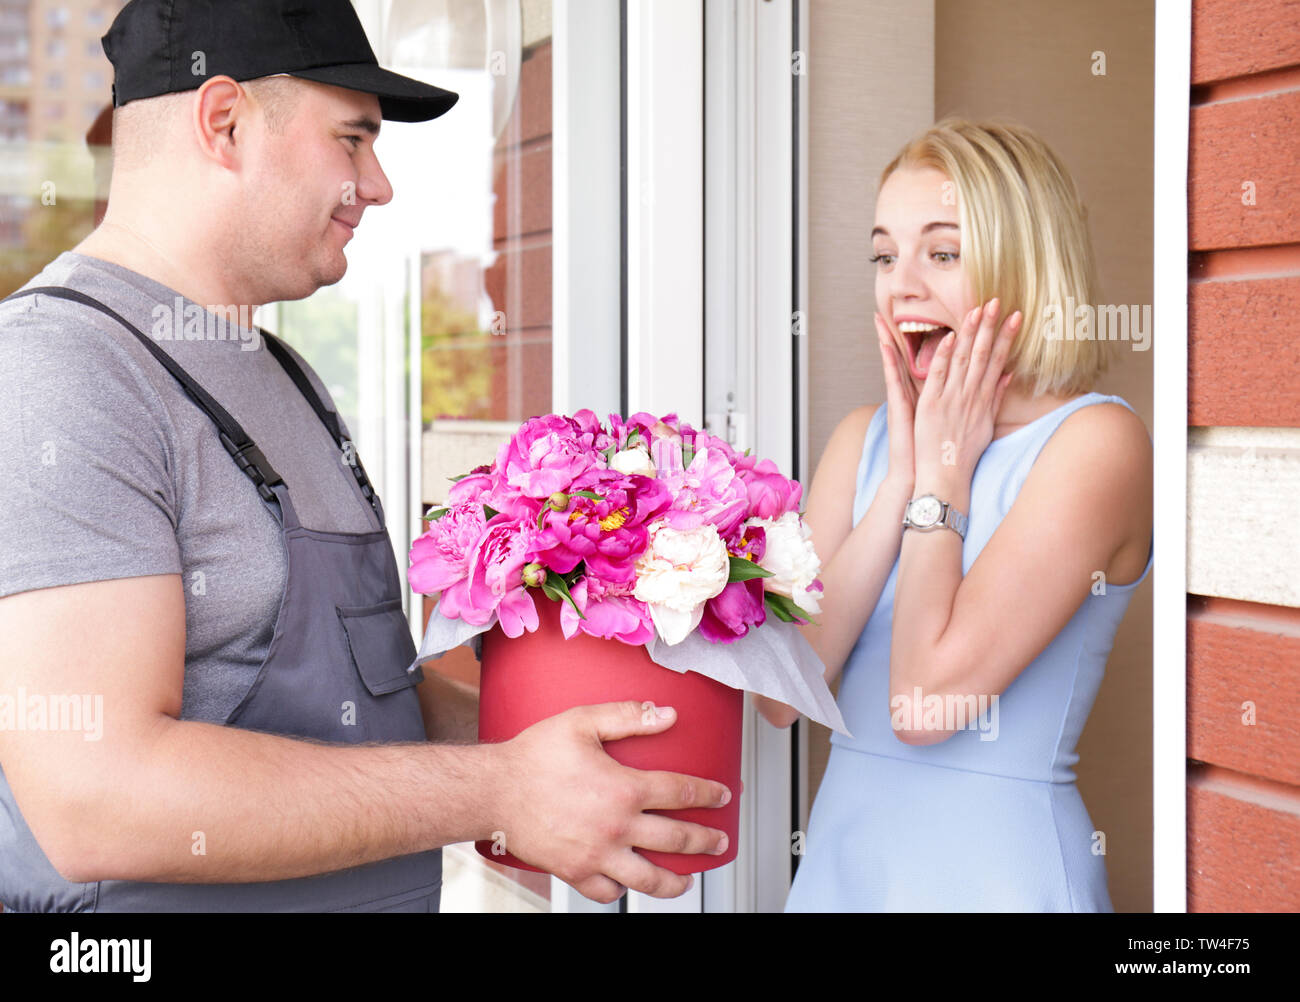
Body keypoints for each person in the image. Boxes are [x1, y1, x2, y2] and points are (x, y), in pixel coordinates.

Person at [0, 0, 730, 913]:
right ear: (222, 122)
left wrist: (570, 758)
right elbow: (98, 800)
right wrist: (499, 789)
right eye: (352, 140)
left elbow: (363, 700)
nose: (377, 185)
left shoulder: (285, 376)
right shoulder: (58, 369)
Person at [755, 118, 1153, 911]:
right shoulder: (861, 441)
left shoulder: (1095, 443)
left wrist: (943, 477)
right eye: (884, 254)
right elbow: (780, 696)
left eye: (941, 252)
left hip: (1000, 879)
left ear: (1027, 265)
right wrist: (902, 474)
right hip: (842, 875)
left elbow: (922, 705)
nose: (900, 283)